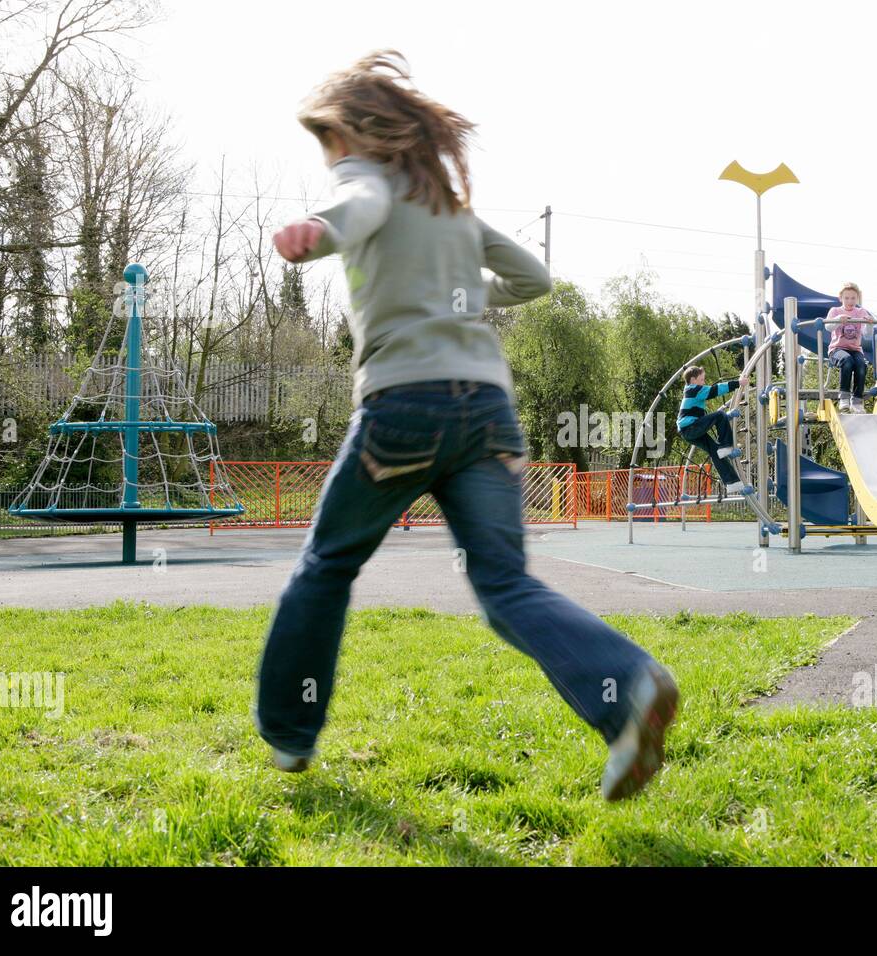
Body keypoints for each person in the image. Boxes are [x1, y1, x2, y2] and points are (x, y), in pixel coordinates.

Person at [256, 50, 678, 802]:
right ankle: (627, 685)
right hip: (487, 413)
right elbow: (534, 280)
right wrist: (455, 288)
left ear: (352, 136)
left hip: (405, 408)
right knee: (504, 582)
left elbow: (355, 210)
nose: (330, 159)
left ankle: (290, 737)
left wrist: (312, 231)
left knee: (327, 567)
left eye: (328, 144)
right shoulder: (454, 209)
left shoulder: (364, 176)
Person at [677, 366, 750, 495]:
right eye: (701, 379)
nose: (703, 382)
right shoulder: (694, 390)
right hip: (690, 427)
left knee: (715, 451)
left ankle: (732, 482)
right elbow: (715, 390)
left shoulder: (691, 390)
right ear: (693, 380)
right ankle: (725, 444)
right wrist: (738, 383)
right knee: (719, 415)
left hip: (687, 431)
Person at [825, 282, 876, 412]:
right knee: (847, 361)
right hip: (837, 349)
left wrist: (869, 324)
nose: (850, 301)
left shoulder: (860, 312)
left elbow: (867, 335)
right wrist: (837, 320)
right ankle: (844, 398)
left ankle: (857, 401)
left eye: (853, 298)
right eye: (847, 298)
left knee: (861, 365)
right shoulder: (835, 311)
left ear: (857, 298)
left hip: (855, 349)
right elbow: (828, 327)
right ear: (840, 298)